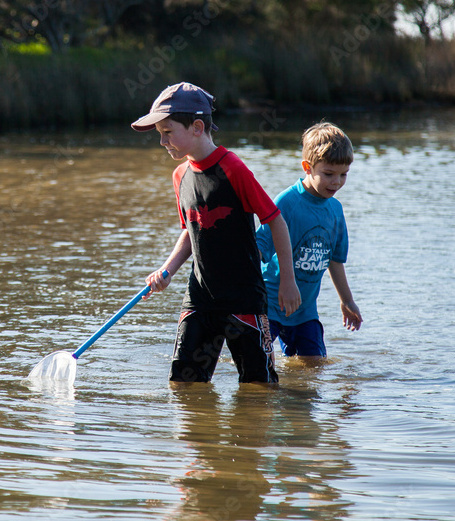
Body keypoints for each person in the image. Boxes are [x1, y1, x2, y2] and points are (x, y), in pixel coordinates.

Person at [132, 82, 301, 383]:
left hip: (243, 299)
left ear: (197, 126)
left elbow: (276, 221)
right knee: (184, 385)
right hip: (200, 299)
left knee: (258, 388)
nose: (162, 141)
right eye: (159, 134)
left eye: (167, 132)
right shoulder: (180, 175)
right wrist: (167, 270)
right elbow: (190, 231)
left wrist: (287, 281)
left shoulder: (233, 168)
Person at [256, 122, 362, 362]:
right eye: (328, 174)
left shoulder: (335, 210)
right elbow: (259, 247)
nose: (336, 182)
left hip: (305, 311)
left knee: (314, 369)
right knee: (259, 369)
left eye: (343, 174)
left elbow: (335, 260)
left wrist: (347, 301)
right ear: (307, 167)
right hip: (270, 305)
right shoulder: (287, 202)